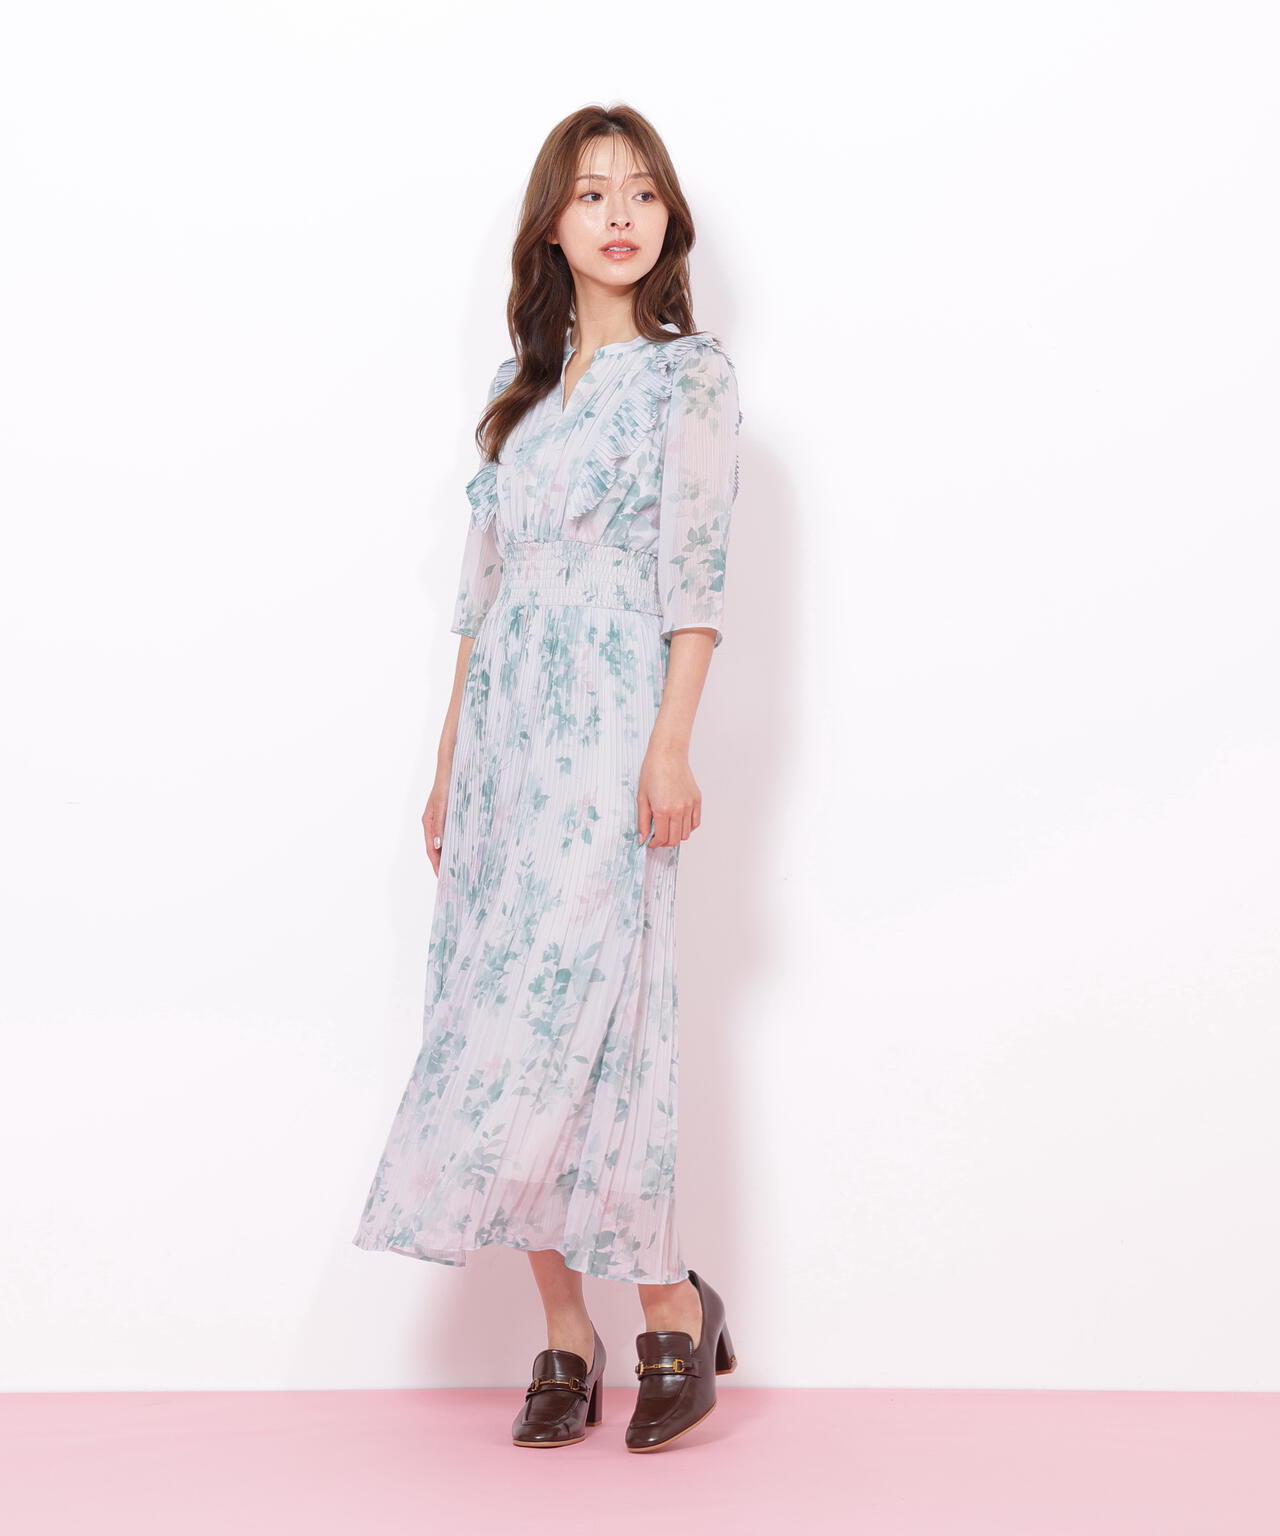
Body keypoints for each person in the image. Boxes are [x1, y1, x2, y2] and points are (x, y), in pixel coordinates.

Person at [352, 103, 741, 1453]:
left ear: (668, 219)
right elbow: (480, 605)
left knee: (601, 1026)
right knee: (499, 1035)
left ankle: (672, 1305)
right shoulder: (517, 406)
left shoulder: (691, 380)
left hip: (615, 739)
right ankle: (567, 1339)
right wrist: (449, 766)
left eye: (641, 191)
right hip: (507, 759)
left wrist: (672, 742)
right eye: (590, 194)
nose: (619, 214)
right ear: (553, 227)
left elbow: (696, 580)